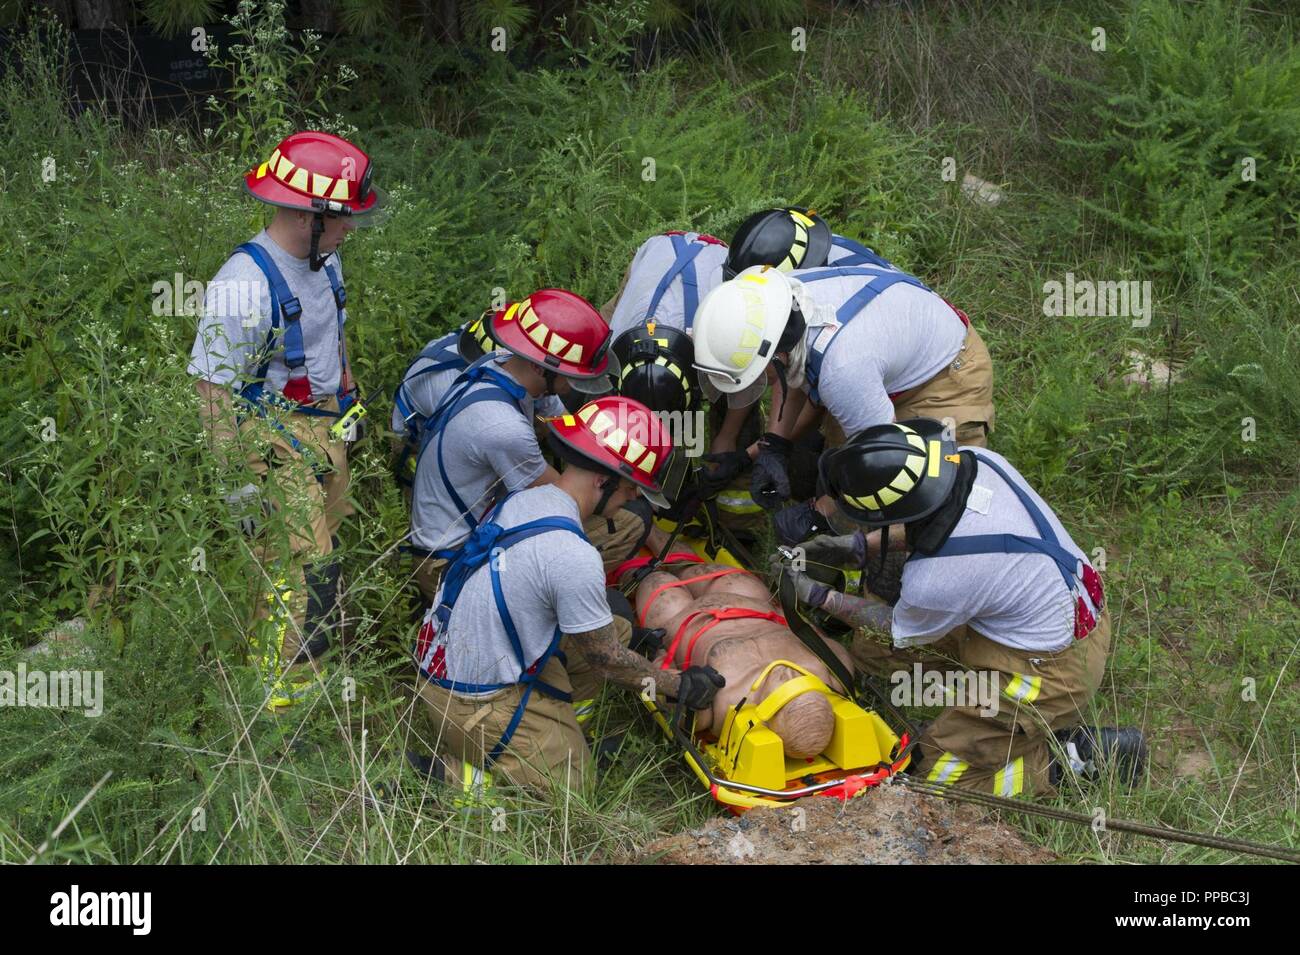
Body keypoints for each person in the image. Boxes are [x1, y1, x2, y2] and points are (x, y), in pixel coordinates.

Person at [782, 417, 1146, 796]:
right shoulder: (978, 460)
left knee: (936, 779)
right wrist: (860, 548)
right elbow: (939, 522)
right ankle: (977, 706)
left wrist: (821, 597)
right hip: (1068, 615)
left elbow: (895, 626)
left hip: (1050, 674)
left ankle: (1071, 760)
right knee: (872, 653)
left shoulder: (935, 581)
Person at [413, 396, 724, 793]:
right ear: (603, 480)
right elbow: (607, 662)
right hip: (472, 704)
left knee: (615, 629)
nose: (632, 499)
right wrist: (679, 685)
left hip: (448, 668)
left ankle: (566, 732)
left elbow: (602, 644)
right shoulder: (571, 554)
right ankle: (453, 779)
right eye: (631, 488)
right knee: (573, 794)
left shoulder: (524, 500)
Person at [189, 130, 383, 709]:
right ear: (309, 216)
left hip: (323, 424)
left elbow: (333, 334)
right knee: (307, 570)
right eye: (343, 217)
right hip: (268, 434)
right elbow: (212, 394)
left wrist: (348, 400)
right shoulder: (242, 286)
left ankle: (293, 661)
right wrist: (239, 486)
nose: (351, 228)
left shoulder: (326, 261)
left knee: (325, 548)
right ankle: (279, 698)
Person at [691, 211, 996, 546]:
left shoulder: (843, 370)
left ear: (775, 354)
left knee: (915, 496)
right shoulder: (784, 301)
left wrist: (818, 514)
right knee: (836, 457)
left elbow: (882, 460)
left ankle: (876, 569)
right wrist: (770, 448)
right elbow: (797, 375)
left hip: (947, 376)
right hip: (884, 352)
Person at [406, 289, 646, 602]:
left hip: (465, 532)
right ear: (539, 368)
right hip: (449, 564)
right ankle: (558, 597)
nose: (575, 385)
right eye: (571, 376)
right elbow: (567, 500)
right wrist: (624, 485)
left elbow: (567, 426)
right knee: (630, 522)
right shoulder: (504, 428)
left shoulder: (501, 365)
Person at [634, 559, 853, 759]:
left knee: (653, 578)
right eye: (801, 684)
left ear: (770, 718)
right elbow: (814, 634)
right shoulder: (830, 674)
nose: (790, 673)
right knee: (694, 565)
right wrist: (782, 609)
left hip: (680, 618)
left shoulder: (718, 706)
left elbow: (661, 685)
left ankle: (632, 561)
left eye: (786, 689)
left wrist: (658, 651)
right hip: (751, 601)